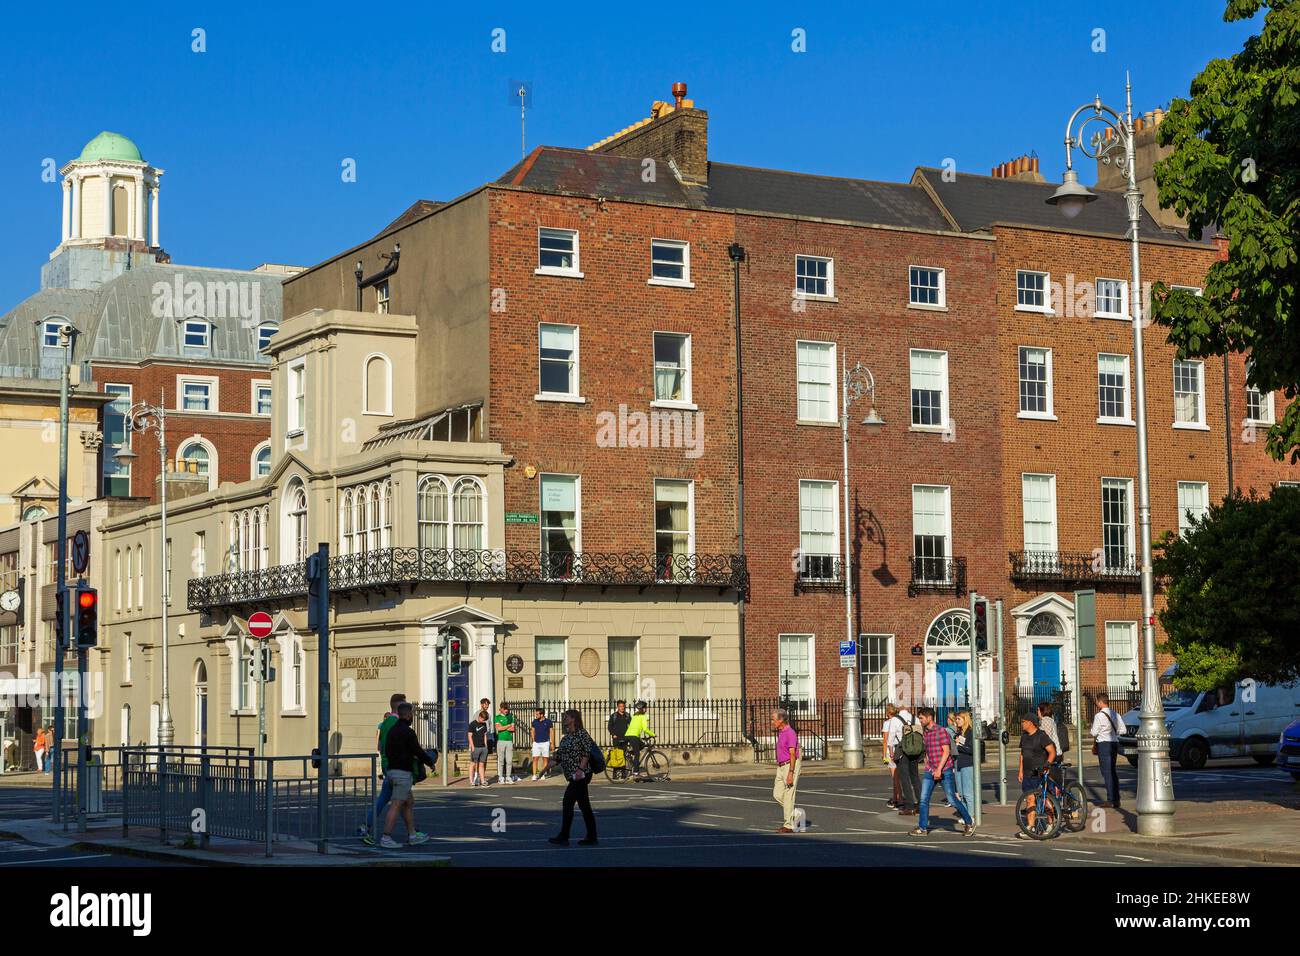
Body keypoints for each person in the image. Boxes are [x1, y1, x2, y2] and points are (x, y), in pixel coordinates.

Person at [909, 707, 975, 837]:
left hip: (944, 770)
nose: (920, 721)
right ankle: (922, 828)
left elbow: (946, 752)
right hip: (931, 770)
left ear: (929, 718)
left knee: (952, 798)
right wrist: (928, 765)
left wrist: (939, 769)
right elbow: (927, 751)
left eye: (921, 718)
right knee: (923, 799)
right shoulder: (925, 732)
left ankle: (969, 822)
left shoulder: (941, 731)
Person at [380, 701, 435, 848]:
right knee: (397, 804)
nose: (412, 716)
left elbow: (386, 749)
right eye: (412, 714)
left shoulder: (392, 730)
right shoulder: (408, 732)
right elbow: (417, 751)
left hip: (391, 771)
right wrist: (430, 762)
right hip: (402, 773)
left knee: (408, 802)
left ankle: (412, 835)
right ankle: (386, 837)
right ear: (408, 714)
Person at [549, 709, 598, 846]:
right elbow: (559, 757)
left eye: (566, 717)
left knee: (567, 802)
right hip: (572, 775)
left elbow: (586, 753)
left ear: (574, 719)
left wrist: (580, 769)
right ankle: (592, 836)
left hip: (581, 775)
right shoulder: (566, 737)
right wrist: (545, 768)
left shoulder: (582, 734)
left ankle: (564, 835)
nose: (564, 719)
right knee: (584, 806)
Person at [361, 693, 405, 843]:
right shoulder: (395, 723)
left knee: (386, 798)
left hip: (388, 764)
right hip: (394, 765)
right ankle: (390, 835)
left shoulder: (385, 723)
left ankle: (366, 825)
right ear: (398, 707)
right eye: (404, 706)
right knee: (402, 800)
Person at [1016, 713, 1057, 839]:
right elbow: (1022, 754)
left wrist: (1047, 765)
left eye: (1023, 721)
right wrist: (1020, 771)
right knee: (1029, 799)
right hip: (1028, 773)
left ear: (1031, 723)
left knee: (1044, 800)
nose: (1022, 723)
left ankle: (1050, 823)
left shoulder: (1041, 736)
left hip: (1040, 772)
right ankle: (1031, 826)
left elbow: (1052, 752)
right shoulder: (1024, 737)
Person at [1090, 693, 1127, 809]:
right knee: (1112, 771)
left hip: (1104, 744)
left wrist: (1103, 732)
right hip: (1114, 743)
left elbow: (1094, 732)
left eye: (1097, 701)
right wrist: (1112, 732)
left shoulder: (1099, 716)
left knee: (1107, 772)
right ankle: (1116, 799)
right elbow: (1123, 730)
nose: (1096, 703)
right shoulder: (1116, 714)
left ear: (1100, 702)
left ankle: (1110, 800)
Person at [888, 703, 922, 816]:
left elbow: (891, 737)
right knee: (915, 777)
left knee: (904, 779)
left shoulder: (895, 719)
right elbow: (920, 734)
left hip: (902, 751)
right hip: (915, 751)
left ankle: (910, 806)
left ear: (898, 707)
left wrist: (891, 752)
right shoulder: (915, 718)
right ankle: (921, 804)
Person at [772, 708, 802, 833]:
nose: (772, 722)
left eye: (774, 720)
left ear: (781, 720)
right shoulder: (782, 732)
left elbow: (793, 754)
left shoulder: (790, 733)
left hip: (790, 765)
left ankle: (789, 825)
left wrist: (791, 772)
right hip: (781, 766)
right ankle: (795, 815)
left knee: (789, 795)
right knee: (777, 794)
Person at [953, 711, 979, 811]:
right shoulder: (960, 732)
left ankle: (971, 816)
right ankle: (965, 816)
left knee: (968, 793)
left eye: (959, 719)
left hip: (967, 764)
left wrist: (959, 746)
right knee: (960, 793)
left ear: (965, 719)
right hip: (958, 764)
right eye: (956, 719)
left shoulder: (970, 732)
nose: (957, 721)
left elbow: (972, 749)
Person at [623, 700, 654, 777]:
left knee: (642, 745)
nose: (646, 709)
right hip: (634, 736)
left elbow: (634, 726)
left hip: (627, 735)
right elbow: (645, 729)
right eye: (646, 707)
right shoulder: (643, 716)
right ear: (643, 708)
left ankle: (632, 755)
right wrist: (653, 734)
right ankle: (636, 773)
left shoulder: (634, 715)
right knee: (637, 754)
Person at [608, 700, 632, 780]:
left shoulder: (627, 715)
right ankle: (615, 774)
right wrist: (613, 734)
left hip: (625, 738)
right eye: (620, 706)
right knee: (617, 756)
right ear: (617, 707)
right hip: (616, 739)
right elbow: (609, 726)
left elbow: (631, 725)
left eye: (623, 706)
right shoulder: (614, 716)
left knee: (624, 756)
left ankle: (623, 773)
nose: (622, 708)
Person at [468, 704, 491, 787]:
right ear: (480, 717)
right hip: (476, 747)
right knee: (473, 764)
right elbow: (469, 736)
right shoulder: (472, 724)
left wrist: (486, 746)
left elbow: (485, 735)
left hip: (483, 747)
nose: (484, 721)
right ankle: (471, 781)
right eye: (483, 719)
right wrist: (472, 747)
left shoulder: (484, 724)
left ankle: (482, 780)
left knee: (481, 764)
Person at [494, 702, 517, 784]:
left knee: (509, 760)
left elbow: (513, 729)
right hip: (501, 740)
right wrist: (508, 726)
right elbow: (499, 729)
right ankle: (500, 777)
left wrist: (504, 727)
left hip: (509, 740)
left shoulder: (511, 717)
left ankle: (508, 777)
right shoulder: (497, 717)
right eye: (504, 709)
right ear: (501, 709)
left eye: (507, 709)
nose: (506, 711)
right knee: (501, 760)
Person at [530, 708, 554, 781]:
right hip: (536, 743)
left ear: (542, 714)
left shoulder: (548, 722)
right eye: (535, 714)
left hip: (545, 743)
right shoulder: (534, 721)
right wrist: (533, 740)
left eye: (537, 714)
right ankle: (534, 775)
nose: (536, 715)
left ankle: (542, 774)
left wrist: (552, 743)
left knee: (545, 759)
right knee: (535, 758)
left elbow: (551, 732)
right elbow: (532, 731)